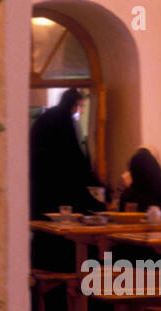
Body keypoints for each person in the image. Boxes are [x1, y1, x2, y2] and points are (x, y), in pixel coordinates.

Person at [30, 87, 106, 218]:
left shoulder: (47, 117)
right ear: (73, 104)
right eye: (80, 106)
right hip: (55, 185)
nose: (81, 111)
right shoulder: (64, 121)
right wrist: (96, 184)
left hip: (39, 185)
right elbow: (73, 158)